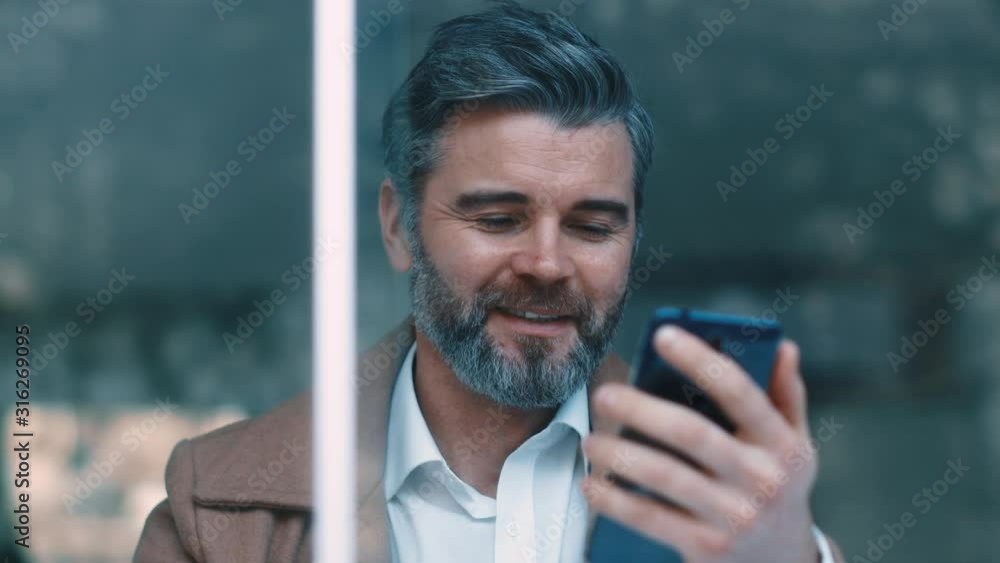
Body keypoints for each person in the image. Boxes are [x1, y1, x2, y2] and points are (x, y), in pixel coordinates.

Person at [134, 2, 846, 561]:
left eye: (592, 226)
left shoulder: (721, 504)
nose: (547, 263)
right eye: (500, 219)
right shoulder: (220, 513)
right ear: (398, 227)